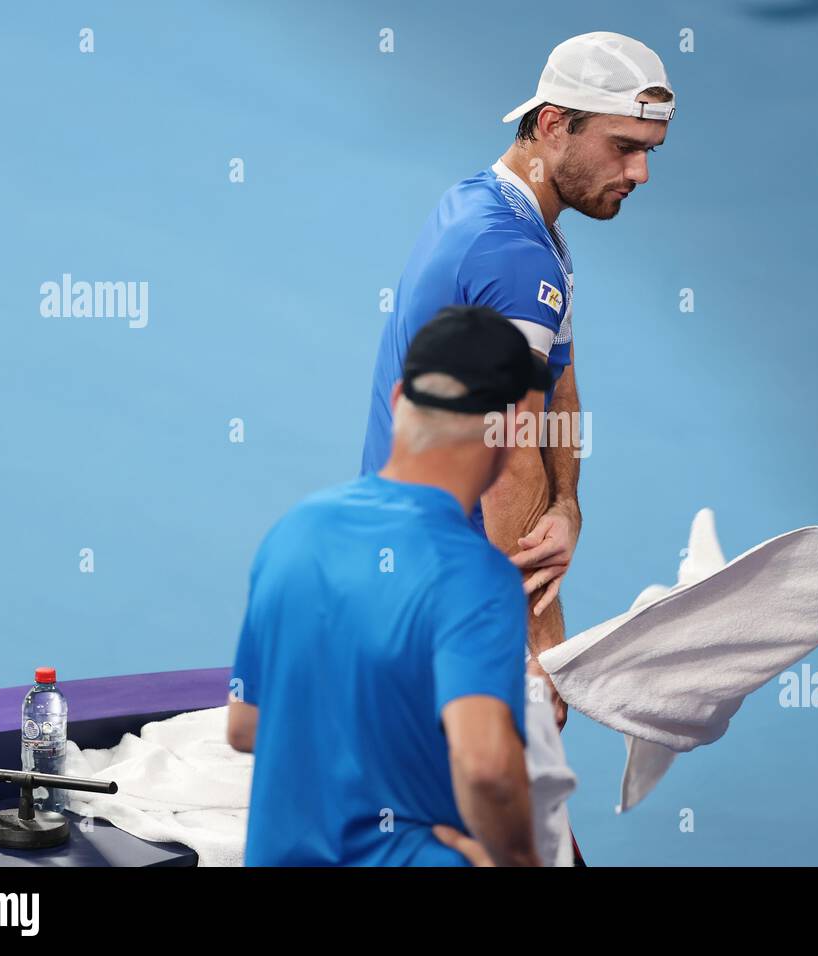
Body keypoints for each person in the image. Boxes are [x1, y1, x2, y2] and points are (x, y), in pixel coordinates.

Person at [360, 32, 677, 725]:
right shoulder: (514, 257)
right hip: (448, 604)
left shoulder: (503, 215)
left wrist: (567, 502)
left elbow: (557, 383)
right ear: (554, 124)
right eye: (624, 146)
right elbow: (505, 457)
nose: (640, 173)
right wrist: (542, 656)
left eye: (649, 151)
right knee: (480, 822)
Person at [227, 306, 551, 866]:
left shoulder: (294, 531)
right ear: (509, 430)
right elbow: (487, 770)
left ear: (399, 398)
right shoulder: (476, 579)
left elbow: (246, 725)